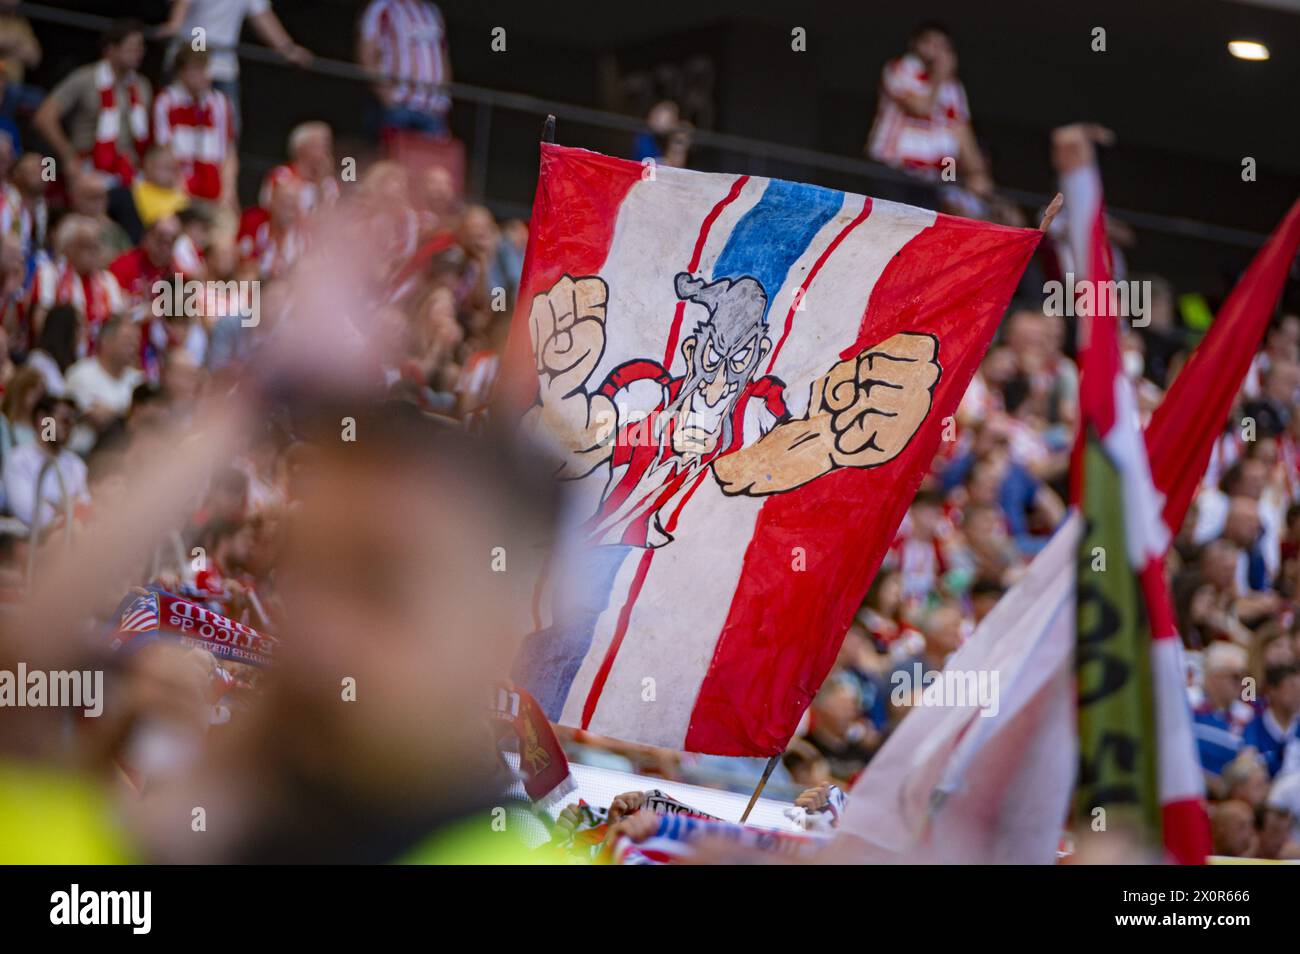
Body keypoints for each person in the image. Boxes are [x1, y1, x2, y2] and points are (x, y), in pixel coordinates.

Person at [865, 22, 989, 193]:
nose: (935, 50)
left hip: (934, 178)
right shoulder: (901, 69)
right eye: (929, 43)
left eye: (941, 45)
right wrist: (938, 77)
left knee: (935, 215)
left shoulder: (953, 87)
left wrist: (977, 173)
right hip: (894, 169)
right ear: (915, 44)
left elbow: (961, 131)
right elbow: (920, 108)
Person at [159, 0, 311, 139]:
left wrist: (288, 49)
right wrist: (175, 23)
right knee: (177, 123)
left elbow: (261, 14)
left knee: (227, 131)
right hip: (188, 63)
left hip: (223, 67)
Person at [32, 20, 150, 184]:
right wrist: (68, 157)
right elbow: (44, 118)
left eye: (141, 48)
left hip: (130, 171)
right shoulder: (85, 78)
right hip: (88, 166)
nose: (138, 53)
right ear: (110, 49)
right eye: (131, 48)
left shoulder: (142, 86)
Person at [151, 47, 236, 205]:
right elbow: (164, 150)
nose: (202, 76)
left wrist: (228, 191)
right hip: (179, 185)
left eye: (205, 69)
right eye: (195, 69)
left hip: (213, 184)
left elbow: (229, 150)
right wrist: (180, 190)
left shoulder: (220, 102)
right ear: (181, 72)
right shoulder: (166, 101)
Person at [358, 0, 452, 137]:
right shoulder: (384, 7)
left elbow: (442, 57)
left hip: (433, 110)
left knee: (432, 157)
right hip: (399, 105)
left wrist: (444, 97)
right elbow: (367, 54)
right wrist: (386, 95)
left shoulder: (432, 11)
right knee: (394, 157)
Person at [1, 393, 88, 530]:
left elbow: (85, 507)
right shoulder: (18, 459)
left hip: (72, 533)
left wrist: (55, 505)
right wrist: (66, 510)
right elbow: (29, 512)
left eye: (72, 422)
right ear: (43, 419)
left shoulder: (76, 463)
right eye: (64, 420)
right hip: (33, 541)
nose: (69, 426)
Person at [65, 313, 144, 428]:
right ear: (105, 341)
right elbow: (96, 419)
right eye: (127, 340)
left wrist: (115, 415)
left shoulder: (138, 380)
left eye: (137, 340)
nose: (134, 345)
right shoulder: (80, 374)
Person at [259, 121, 338, 217]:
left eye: (328, 146)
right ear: (301, 148)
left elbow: (331, 218)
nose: (326, 151)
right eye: (320, 146)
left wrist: (320, 183)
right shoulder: (281, 176)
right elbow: (268, 211)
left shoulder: (329, 182)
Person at [24, 303, 81, 399]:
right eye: (78, 327)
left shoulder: (75, 361)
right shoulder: (39, 360)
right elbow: (55, 395)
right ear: (65, 329)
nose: (82, 332)